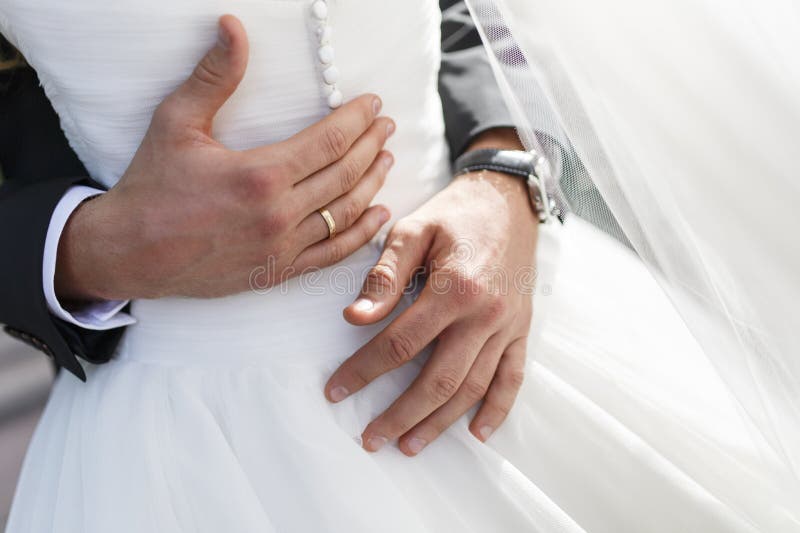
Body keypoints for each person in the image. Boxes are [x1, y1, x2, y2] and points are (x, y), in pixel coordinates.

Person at [1, 1, 795, 532]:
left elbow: (472, 12)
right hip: (187, 444)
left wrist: (506, 166)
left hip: (508, 321)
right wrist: (87, 247)